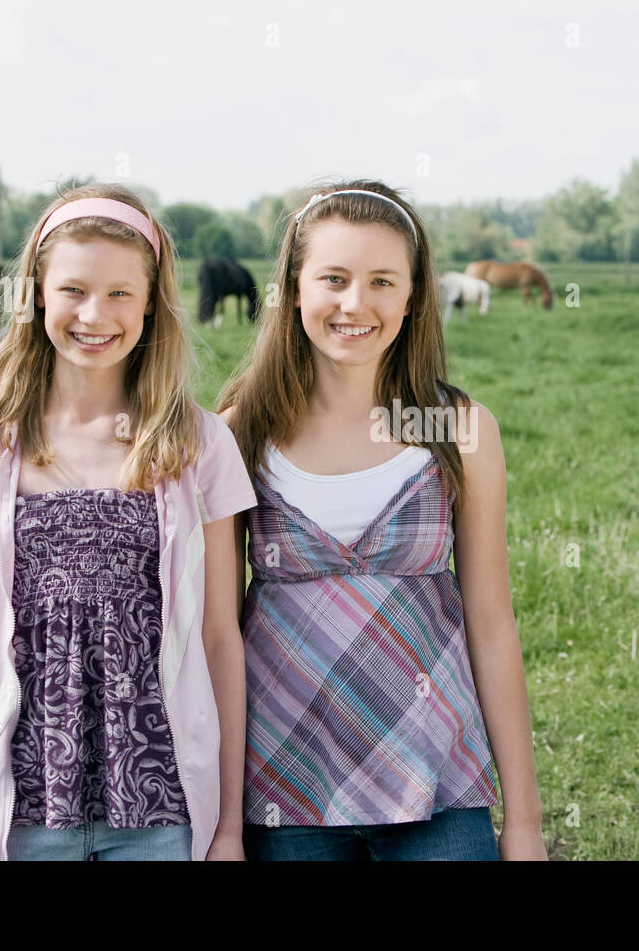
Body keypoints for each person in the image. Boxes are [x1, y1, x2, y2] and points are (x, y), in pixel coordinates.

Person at [0, 184, 256, 861]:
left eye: (119, 294)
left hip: (163, 811)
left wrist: (226, 829)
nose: (94, 315)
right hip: (22, 809)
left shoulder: (198, 445)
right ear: (38, 294)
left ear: (151, 305)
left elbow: (222, 638)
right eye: (73, 290)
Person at [216, 180, 547, 860]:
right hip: (285, 777)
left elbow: (492, 623)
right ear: (295, 288)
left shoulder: (459, 430)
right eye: (333, 278)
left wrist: (525, 823)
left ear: (414, 296)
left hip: (434, 775)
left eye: (382, 282)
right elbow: (214, 638)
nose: (354, 303)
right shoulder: (238, 433)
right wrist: (223, 827)